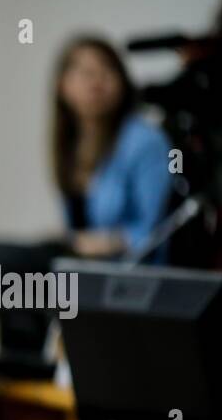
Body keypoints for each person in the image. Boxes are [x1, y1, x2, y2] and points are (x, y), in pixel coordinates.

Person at [51, 36, 173, 260]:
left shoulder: (145, 141)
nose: (97, 83)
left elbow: (155, 230)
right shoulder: (71, 144)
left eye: (107, 71)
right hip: (84, 267)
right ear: (63, 85)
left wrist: (105, 242)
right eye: (86, 74)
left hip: (126, 270)